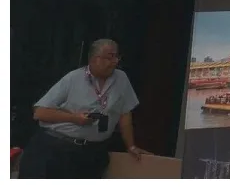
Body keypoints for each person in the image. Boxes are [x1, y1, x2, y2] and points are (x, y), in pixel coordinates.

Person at [19, 39, 144, 178]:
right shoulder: (73, 78)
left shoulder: (121, 78)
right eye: (109, 57)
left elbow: (125, 113)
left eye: (117, 57)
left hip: (92, 153)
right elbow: (40, 112)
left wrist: (131, 146)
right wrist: (74, 118)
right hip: (57, 148)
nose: (114, 62)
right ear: (93, 59)